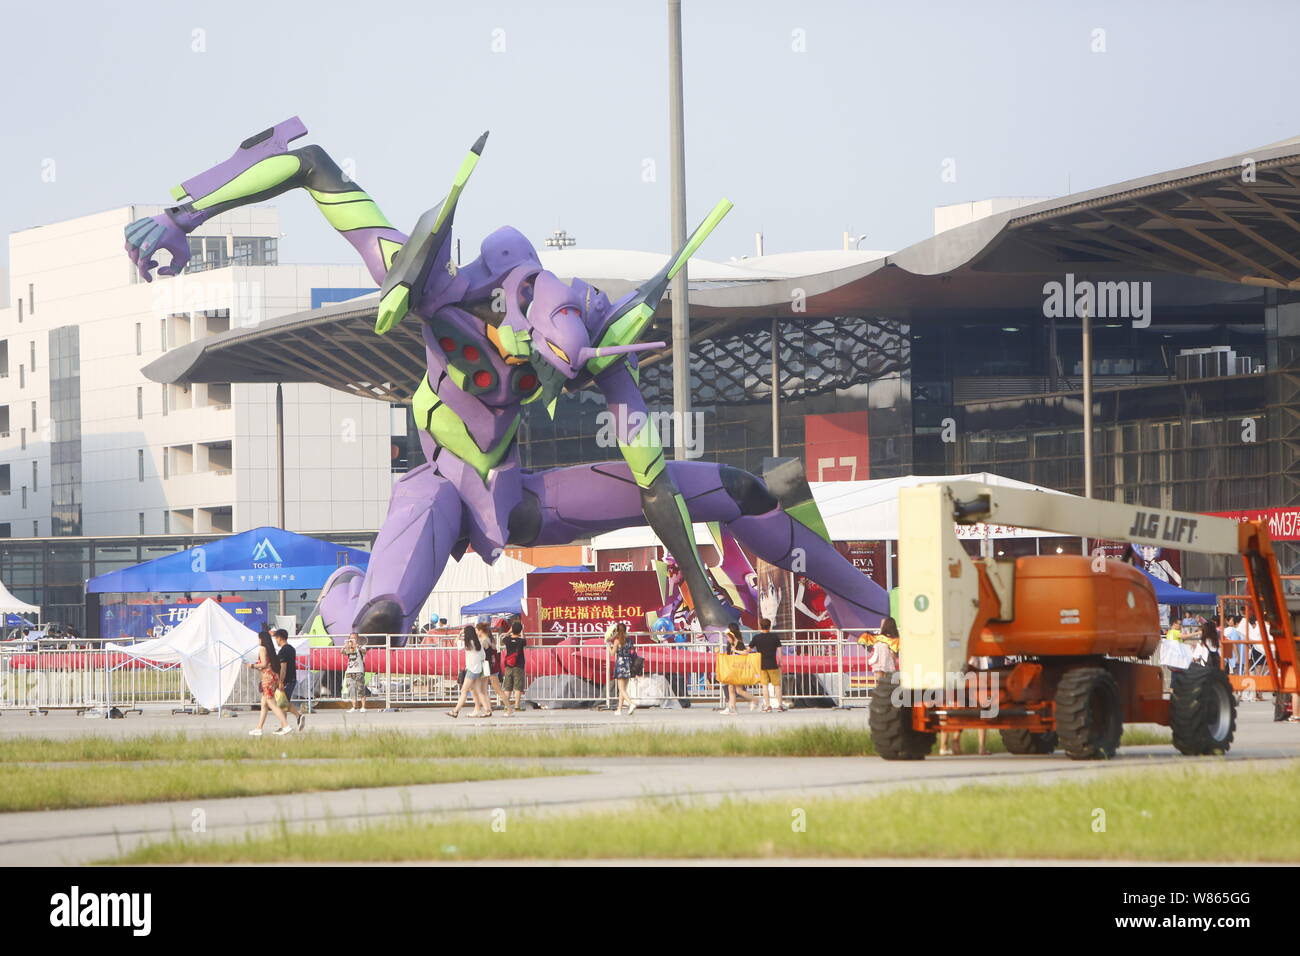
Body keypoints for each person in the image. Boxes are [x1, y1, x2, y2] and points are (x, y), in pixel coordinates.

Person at [246, 629, 292, 736]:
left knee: (271, 703)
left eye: (258, 638)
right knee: (264, 704)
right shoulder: (270, 648)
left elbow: (264, 664)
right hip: (273, 676)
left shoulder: (262, 648)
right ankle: (259, 728)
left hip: (267, 678)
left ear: (261, 639)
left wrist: (252, 665)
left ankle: (285, 725)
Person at [448, 625, 489, 718]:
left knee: (464, 690)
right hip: (478, 669)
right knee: (476, 690)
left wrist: (460, 633)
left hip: (471, 670)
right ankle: (487, 710)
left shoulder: (467, 644)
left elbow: (456, 642)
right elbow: (483, 656)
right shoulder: (478, 643)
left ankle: (455, 711)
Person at [718, 622, 758, 715]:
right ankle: (732, 707)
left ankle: (752, 700)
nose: (727, 639)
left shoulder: (739, 643)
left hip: (738, 669)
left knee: (736, 690)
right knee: (733, 689)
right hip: (732, 669)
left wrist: (735, 651)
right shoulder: (730, 644)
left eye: (728, 637)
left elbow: (745, 653)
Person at [749, 617, 785, 713]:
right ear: (770, 626)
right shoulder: (774, 637)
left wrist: (739, 651)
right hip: (773, 664)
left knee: (764, 686)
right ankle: (780, 705)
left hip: (762, 665)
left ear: (760, 626)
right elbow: (780, 649)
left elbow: (749, 648)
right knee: (777, 685)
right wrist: (780, 661)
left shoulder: (756, 638)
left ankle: (768, 706)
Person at [274, 629, 306, 731]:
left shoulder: (283, 651)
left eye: (276, 638)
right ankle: (284, 725)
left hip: (286, 680)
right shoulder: (291, 649)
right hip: (292, 678)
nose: (276, 641)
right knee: (282, 703)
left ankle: (298, 716)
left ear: (280, 637)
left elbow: (283, 668)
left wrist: (281, 682)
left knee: (283, 703)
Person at [607, 622, 638, 716]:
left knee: (621, 689)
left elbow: (612, 653)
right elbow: (633, 651)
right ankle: (619, 709)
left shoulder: (617, 641)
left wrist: (609, 646)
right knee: (623, 689)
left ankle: (631, 703)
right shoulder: (629, 640)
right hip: (628, 664)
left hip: (620, 664)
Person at [477, 621, 506, 712]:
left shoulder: (485, 641)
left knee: (497, 690)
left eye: (477, 630)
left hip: (489, 667)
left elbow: (480, 653)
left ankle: (508, 708)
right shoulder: (489, 640)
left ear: (481, 630)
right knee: (485, 689)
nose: (476, 632)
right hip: (489, 667)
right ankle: (487, 708)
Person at [501, 619, 527, 716]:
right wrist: (522, 632)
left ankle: (506, 706)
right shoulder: (521, 641)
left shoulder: (507, 640)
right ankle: (516, 706)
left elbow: (504, 637)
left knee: (508, 687)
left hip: (508, 666)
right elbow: (524, 640)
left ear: (512, 630)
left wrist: (509, 631)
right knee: (518, 687)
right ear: (520, 630)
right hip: (519, 666)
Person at [343, 633, 368, 713]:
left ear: (357, 639)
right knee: (351, 689)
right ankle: (354, 707)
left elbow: (364, 652)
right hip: (350, 670)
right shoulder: (349, 648)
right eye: (351, 638)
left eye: (354, 638)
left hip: (359, 670)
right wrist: (345, 645)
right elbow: (342, 652)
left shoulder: (361, 646)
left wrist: (358, 646)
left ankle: (363, 706)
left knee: (361, 689)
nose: (352, 640)